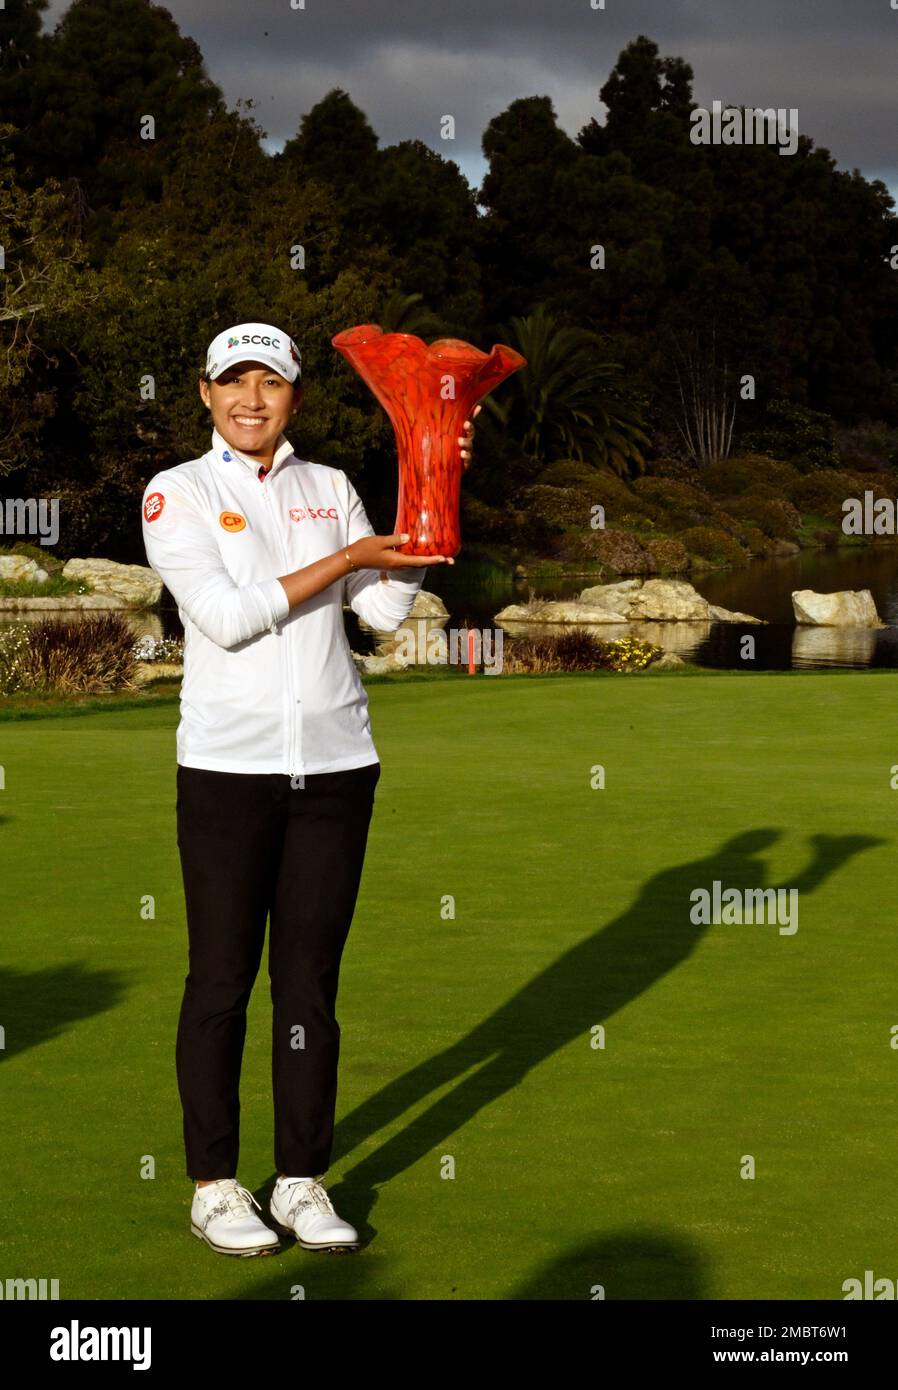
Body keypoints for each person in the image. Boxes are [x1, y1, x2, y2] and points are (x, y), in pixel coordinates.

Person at [141, 321, 478, 1256]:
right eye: (234, 383)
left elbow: (377, 611)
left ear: (295, 395)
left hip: (334, 767)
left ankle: (299, 1181)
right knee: (220, 980)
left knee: (309, 988)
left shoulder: (329, 486)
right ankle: (214, 1184)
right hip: (226, 771)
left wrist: (429, 499)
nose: (253, 400)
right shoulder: (177, 492)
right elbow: (227, 616)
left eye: (272, 384)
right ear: (205, 393)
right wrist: (351, 558)